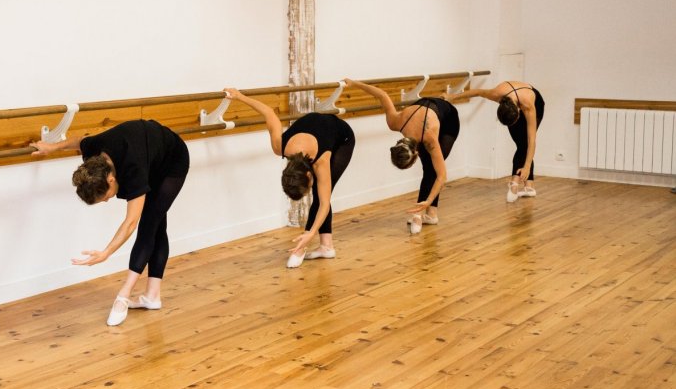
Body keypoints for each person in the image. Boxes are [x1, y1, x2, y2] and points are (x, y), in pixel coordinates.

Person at [30, 120, 189, 326]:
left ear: (111, 179)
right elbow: (80, 142)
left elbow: (131, 223)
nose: (106, 200)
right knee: (156, 223)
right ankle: (152, 296)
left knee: (149, 224)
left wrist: (106, 252)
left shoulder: (133, 167)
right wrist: (51, 148)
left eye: (104, 196)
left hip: (172, 162)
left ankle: (123, 295)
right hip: (150, 153)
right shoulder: (95, 151)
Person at [223, 88, 354, 268]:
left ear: (309, 174)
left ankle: (311, 248)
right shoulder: (280, 146)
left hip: (343, 138)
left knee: (322, 192)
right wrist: (239, 96)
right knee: (319, 192)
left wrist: (310, 233)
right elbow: (268, 112)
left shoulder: (321, 161)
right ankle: (327, 247)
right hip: (317, 130)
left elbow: (325, 203)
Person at [345, 78, 460, 234]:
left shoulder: (429, 138)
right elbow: (382, 95)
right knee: (429, 168)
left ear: (415, 152)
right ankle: (429, 214)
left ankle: (424, 213)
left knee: (431, 168)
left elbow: (442, 175)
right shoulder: (395, 122)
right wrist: (353, 83)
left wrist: (428, 200)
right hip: (427, 111)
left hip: (449, 120)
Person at [448, 81, 544, 202]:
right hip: (513, 99)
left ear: (518, 112)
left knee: (524, 143)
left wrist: (527, 166)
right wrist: (452, 97)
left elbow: (532, 140)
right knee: (521, 143)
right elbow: (478, 92)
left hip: (537, 104)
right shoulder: (496, 94)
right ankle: (529, 187)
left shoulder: (528, 105)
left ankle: (514, 183)